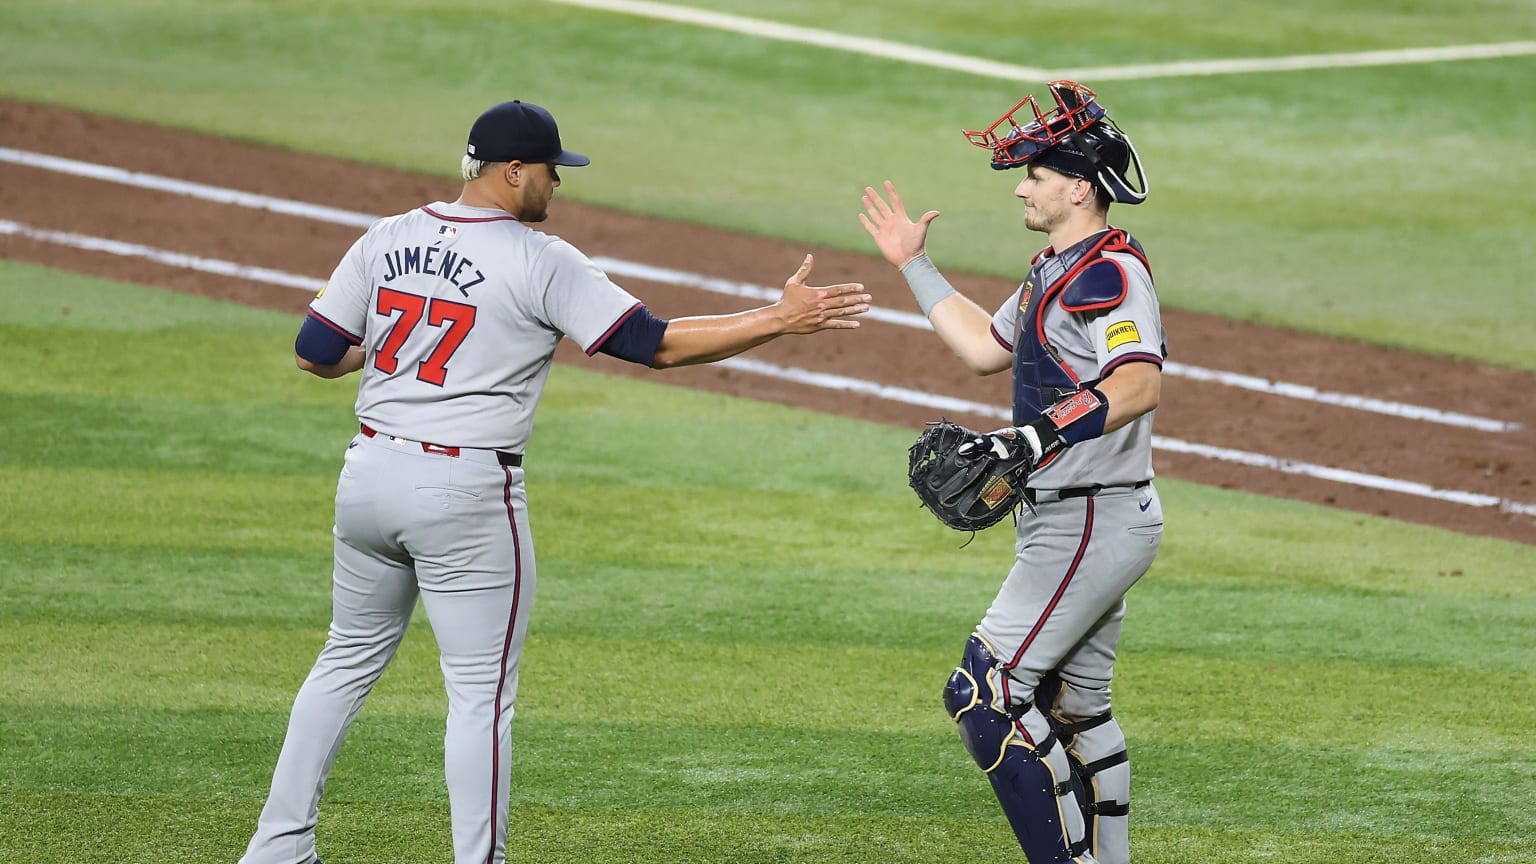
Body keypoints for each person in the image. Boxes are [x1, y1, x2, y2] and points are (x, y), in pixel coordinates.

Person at [238, 98, 869, 864]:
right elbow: (654, 345)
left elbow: (315, 350)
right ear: (512, 172)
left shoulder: (388, 235)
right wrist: (777, 318)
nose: (556, 186)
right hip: (463, 494)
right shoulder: (540, 259)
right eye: (548, 172)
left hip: (369, 475)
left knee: (343, 659)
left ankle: (276, 848)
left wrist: (410, 363)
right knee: (479, 697)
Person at [859, 80, 1164, 864]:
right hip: (1080, 514)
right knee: (1073, 710)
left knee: (983, 696)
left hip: (1089, 515)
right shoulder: (1053, 269)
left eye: (1035, 174)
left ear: (1079, 187)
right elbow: (985, 350)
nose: (1023, 185)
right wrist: (915, 267)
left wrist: (1030, 438)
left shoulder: (1111, 276)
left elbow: (1136, 383)